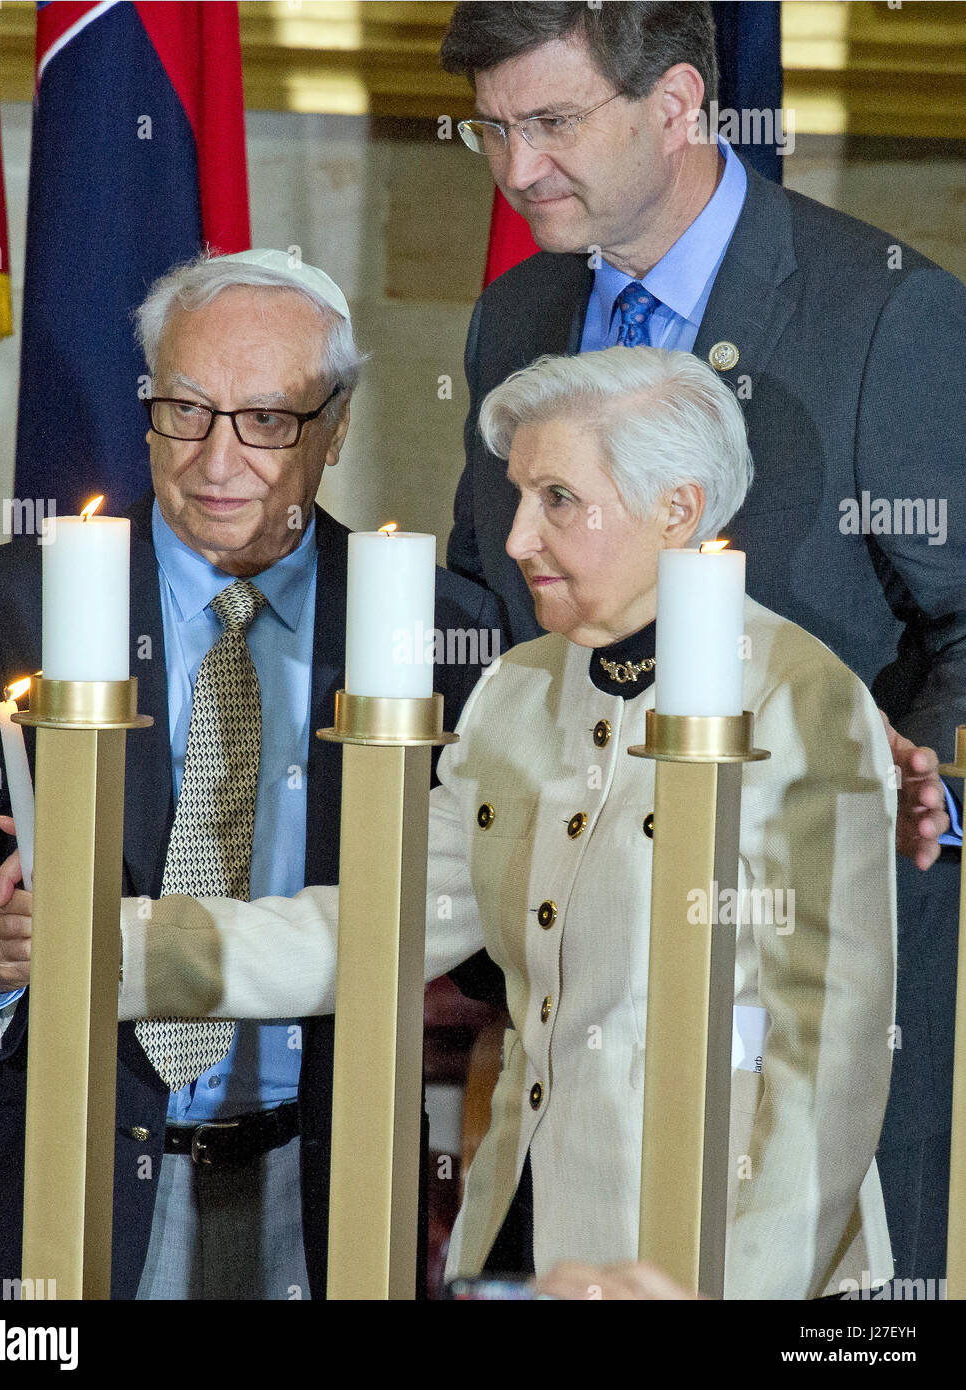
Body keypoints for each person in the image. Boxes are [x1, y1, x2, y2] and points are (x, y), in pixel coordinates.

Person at [44, 345, 898, 1297]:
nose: (521, 536)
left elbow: (830, 1051)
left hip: (717, 1248)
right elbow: (377, 925)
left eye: (559, 500)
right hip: (523, 1224)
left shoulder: (804, 699)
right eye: (519, 495)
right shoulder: (516, 692)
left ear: (679, 509)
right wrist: (90, 944)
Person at [438, 0, 966, 1283]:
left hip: (809, 983)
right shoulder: (516, 314)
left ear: (677, 106)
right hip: (574, 1012)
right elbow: (484, 598)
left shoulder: (886, 315)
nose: (517, 171)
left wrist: (923, 771)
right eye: (492, 130)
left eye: (553, 123)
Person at [0, 249, 502, 1301]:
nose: (216, 459)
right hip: (67, 1165)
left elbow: (484, 930)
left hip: (324, 1178)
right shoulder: (19, 602)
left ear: (335, 428)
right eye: (185, 409)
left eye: (268, 419)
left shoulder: (436, 630)